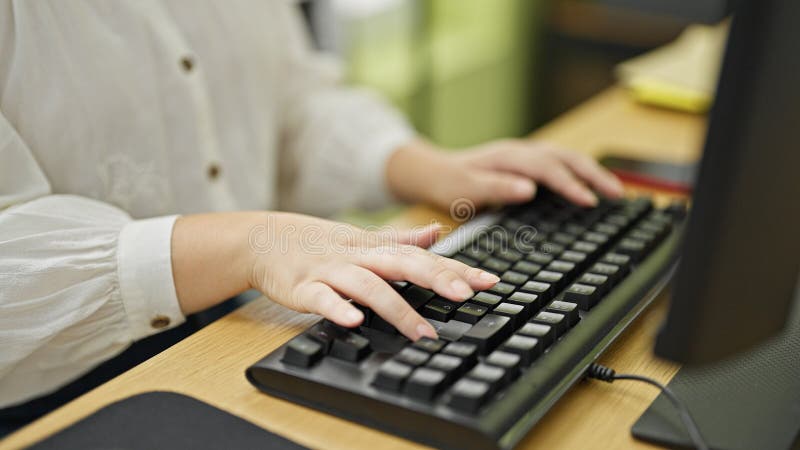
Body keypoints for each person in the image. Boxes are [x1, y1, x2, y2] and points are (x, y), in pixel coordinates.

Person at [0, 0, 623, 434]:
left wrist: (423, 166)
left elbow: (291, 103)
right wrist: (247, 242)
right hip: (57, 385)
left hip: (238, 324)